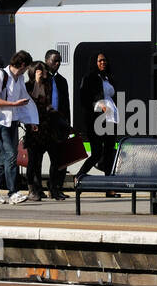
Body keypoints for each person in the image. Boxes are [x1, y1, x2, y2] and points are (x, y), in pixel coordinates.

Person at [0, 51, 37, 205]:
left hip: (12, 122)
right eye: (27, 67)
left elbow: (24, 99)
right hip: (0, 123)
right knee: (11, 156)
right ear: (22, 65)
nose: (27, 71)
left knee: (1, 160)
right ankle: (13, 192)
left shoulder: (19, 78)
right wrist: (13, 104)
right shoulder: (1, 75)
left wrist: (31, 121)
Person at [75, 52, 119, 194]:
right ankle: (79, 177)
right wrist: (99, 106)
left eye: (104, 60)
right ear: (94, 62)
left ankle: (109, 188)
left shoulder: (108, 78)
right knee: (96, 153)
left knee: (109, 152)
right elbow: (84, 99)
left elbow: (112, 96)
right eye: (100, 61)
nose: (102, 63)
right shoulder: (88, 78)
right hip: (96, 119)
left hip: (110, 118)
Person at [25, 61, 60, 201]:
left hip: (47, 126)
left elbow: (49, 102)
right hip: (34, 128)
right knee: (34, 160)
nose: (43, 72)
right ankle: (33, 188)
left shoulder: (48, 85)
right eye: (40, 70)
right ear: (34, 71)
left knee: (55, 158)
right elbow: (28, 103)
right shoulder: (28, 86)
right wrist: (36, 82)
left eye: (44, 70)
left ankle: (53, 187)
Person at [45, 49, 72, 200]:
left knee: (62, 159)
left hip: (60, 124)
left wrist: (68, 123)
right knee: (53, 158)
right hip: (46, 124)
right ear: (47, 60)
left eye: (59, 61)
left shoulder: (61, 81)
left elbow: (66, 104)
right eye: (55, 61)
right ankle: (47, 188)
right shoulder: (42, 78)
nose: (57, 64)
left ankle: (57, 187)